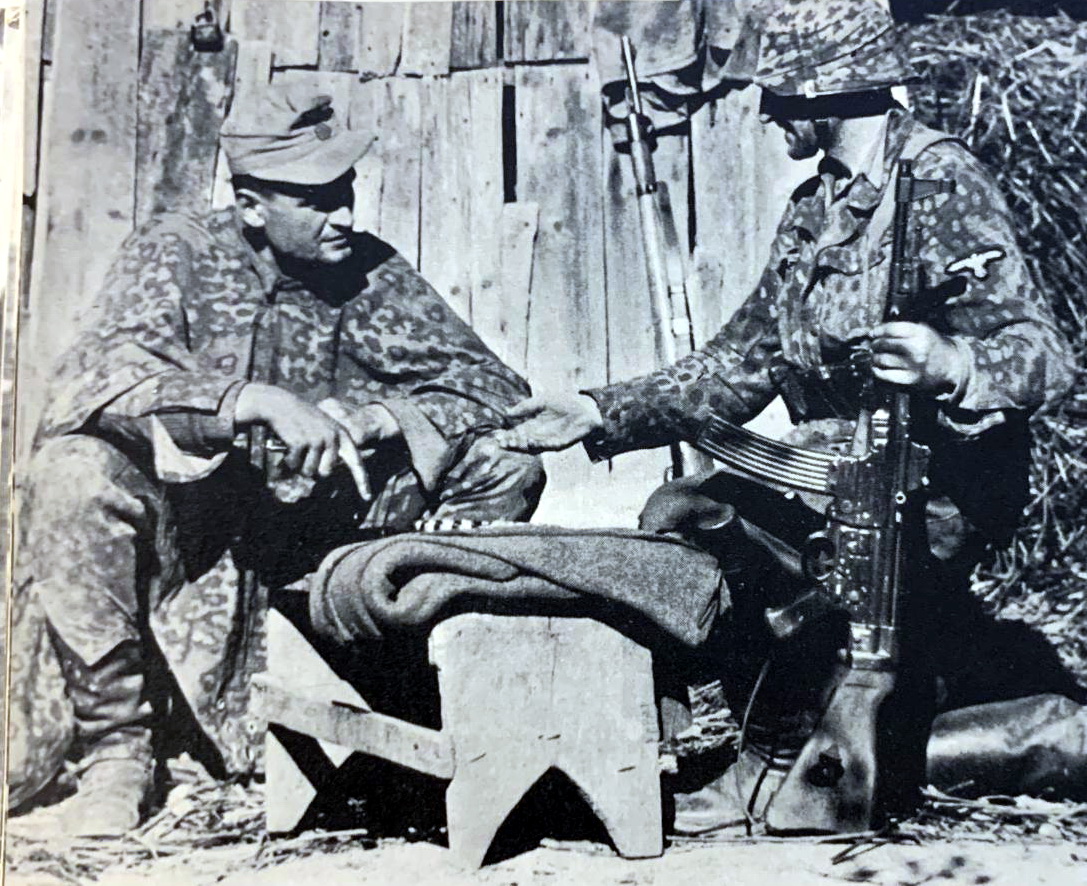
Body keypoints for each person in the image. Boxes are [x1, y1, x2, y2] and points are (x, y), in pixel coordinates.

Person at [498, 0, 1076, 832]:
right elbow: (738, 364)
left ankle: (774, 761)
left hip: (927, 497)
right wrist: (596, 411)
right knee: (685, 512)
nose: (767, 114)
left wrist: (951, 364)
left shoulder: (940, 182)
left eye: (779, 95)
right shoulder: (815, 208)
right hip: (830, 471)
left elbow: (1042, 351)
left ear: (826, 92)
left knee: (738, 543)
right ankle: (786, 744)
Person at [11, 88, 544, 835]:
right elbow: (97, 380)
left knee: (503, 462)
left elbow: (496, 388)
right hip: (193, 536)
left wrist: (377, 418)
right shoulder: (179, 250)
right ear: (251, 205)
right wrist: (244, 400)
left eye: (346, 193)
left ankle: (417, 703)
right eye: (317, 200)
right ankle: (117, 753)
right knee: (71, 471)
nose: (345, 217)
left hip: (323, 533)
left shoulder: (367, 271)